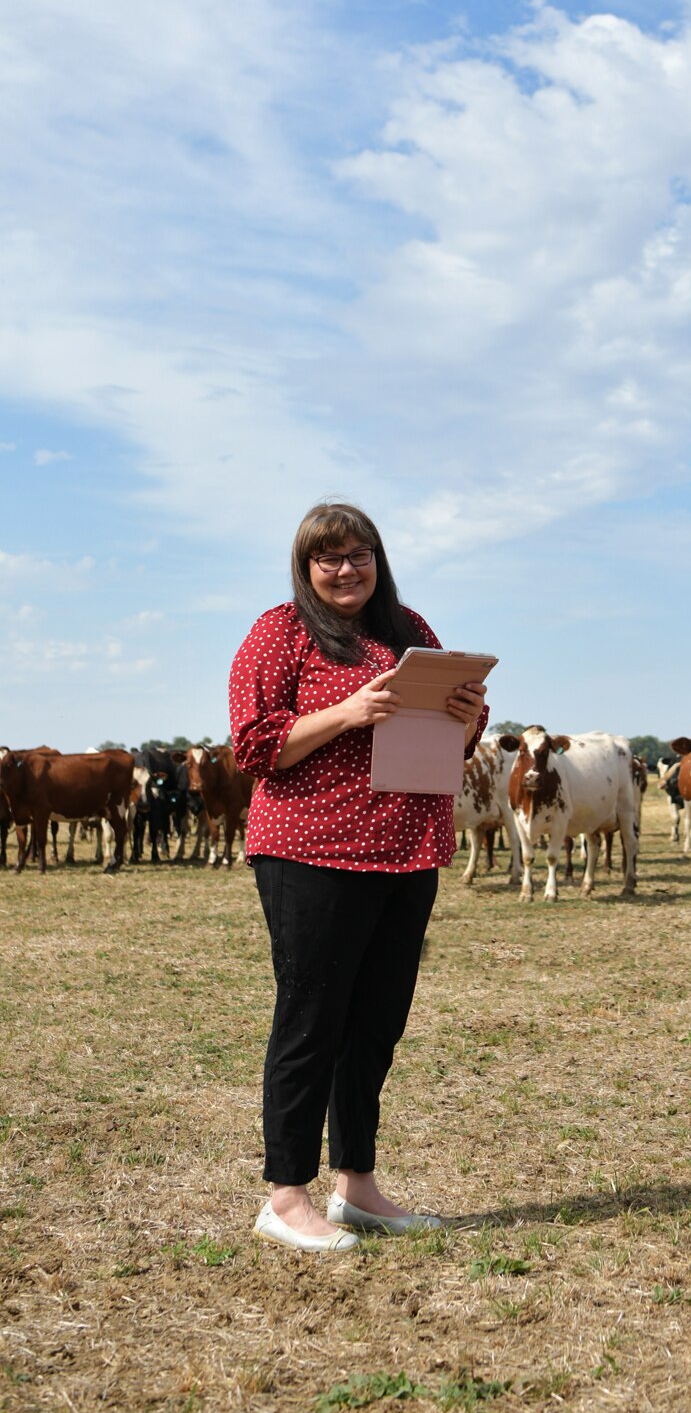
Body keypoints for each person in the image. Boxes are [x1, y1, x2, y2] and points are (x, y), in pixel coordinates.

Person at [229, 501, 489, 1254]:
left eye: (359, 555)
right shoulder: (279, 632)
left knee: (375, 1022)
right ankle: (284, 1196)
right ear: (306, 567)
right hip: (311, 849)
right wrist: (347, 712)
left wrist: (466, 711)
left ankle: (357, 1186)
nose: (346, 570)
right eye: (329, 558)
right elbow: (254, 747)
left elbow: (461, 735)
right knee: (312, 1020)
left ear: (379, 559)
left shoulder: (410, 631)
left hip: (407, 850)